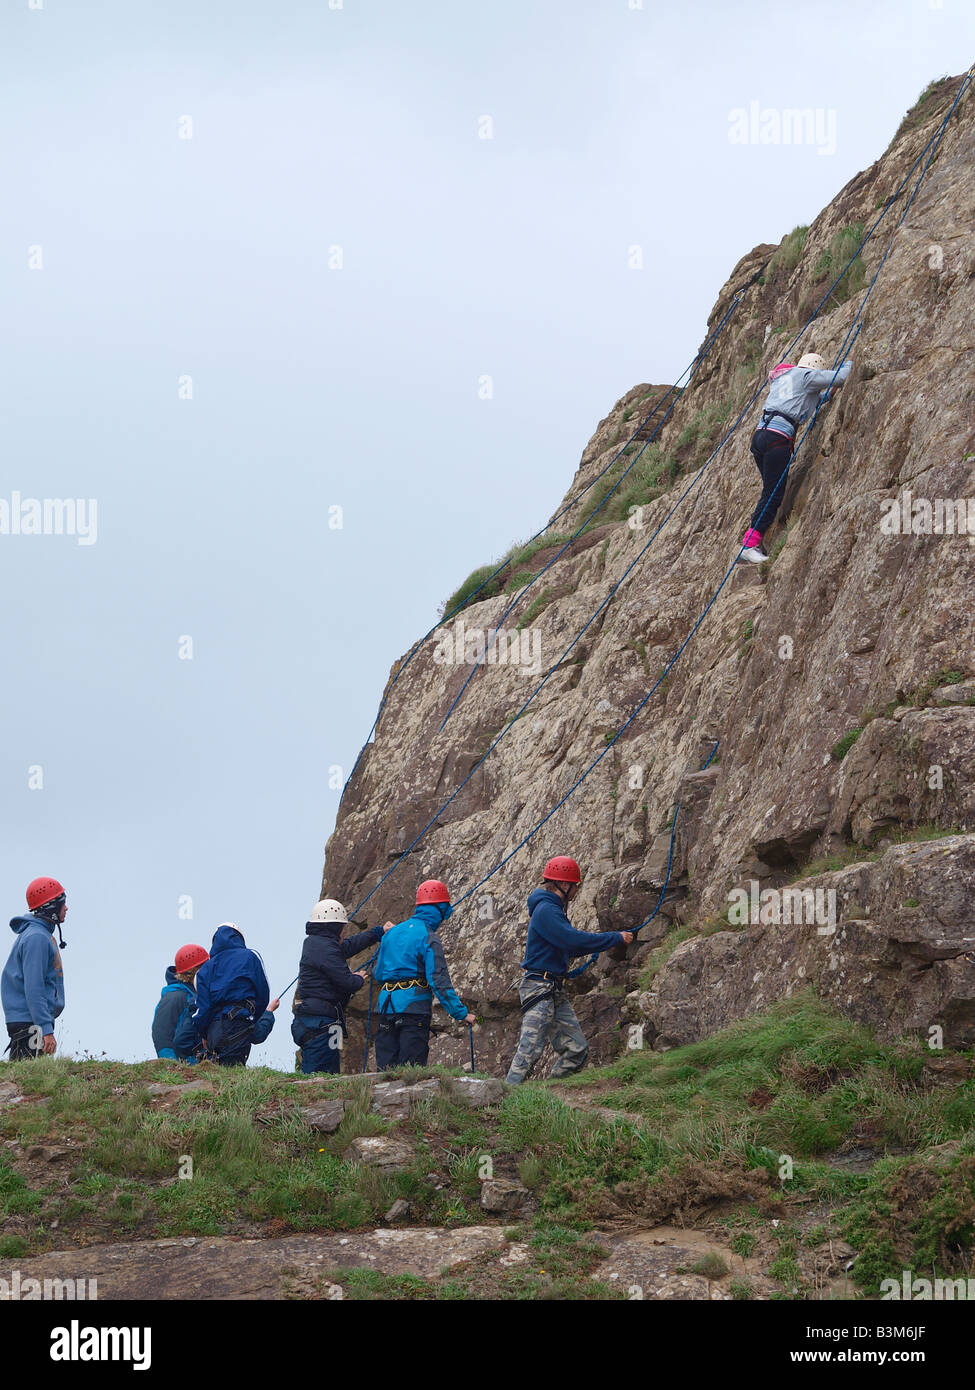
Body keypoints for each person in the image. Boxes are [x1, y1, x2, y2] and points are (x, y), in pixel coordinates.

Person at [506, 856, 633, 1086]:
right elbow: (571, 941)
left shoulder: (550, 909)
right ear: (564, 885)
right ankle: (503, 1101)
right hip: (540, 987)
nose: (576, 892)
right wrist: (614, 938)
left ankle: (550, 1095)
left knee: (576, 1049)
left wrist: (599, 945)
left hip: (551, 987)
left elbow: (565, 944)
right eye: (575, 886)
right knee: (529, 1050)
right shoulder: (546, 910)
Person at [740, 352, 853, 563]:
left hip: (761, 435)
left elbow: (812, 400)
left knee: (769, 491)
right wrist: (852, 361)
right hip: (778, 439)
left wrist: (829, 394)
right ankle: (749, 544)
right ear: (813, 369)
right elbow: (840, 376)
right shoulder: (806, 376)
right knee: (773, 494)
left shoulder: (784, 377)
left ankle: (752, 539)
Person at [372, 880, 475, 1068]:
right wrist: (461, 1013)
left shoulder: (391, 934)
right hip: (414, 1010)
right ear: (439, 910)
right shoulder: (429, 937)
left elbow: (378, 974)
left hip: (386, 1008)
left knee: (385, 1071)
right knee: (411, 1072)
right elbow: (439, 980)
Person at [292, 898, 394, 1074]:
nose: (345, 931)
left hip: (325, 1020)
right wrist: (358, 979)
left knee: (329, 1068)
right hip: (321, 1022)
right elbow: (348, 983)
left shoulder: (319, 943)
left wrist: (378, 932)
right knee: (320, 1072)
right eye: (342, 927)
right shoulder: (325, 948)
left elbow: (348, 946)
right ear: (334, 927)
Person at [185, 923, 279, 1066]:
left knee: (218, 1070)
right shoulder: (251, 957)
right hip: (240, 1023)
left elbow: (203, 1007)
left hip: (214, 1028)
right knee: (235, 1068)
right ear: (239, 937)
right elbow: (262, 993)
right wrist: (254, 1017)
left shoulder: (206, 968)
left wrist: (204, 1033)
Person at [2, 877, 68, 1061]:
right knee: (27, 1084)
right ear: (51, 907)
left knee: (29, 1079)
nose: (66, 908)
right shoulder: (36, 938)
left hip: (31, 1022)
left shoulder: (39, 934)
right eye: (62, 903)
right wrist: (45, 1029)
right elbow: (34, 987)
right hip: (30, 1024)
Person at [152, 943, 209, 1062]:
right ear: (195, 970)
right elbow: (162, 1035)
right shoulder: (174, 997)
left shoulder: (195, 994)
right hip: (183, 1066)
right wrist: (172, 1066)